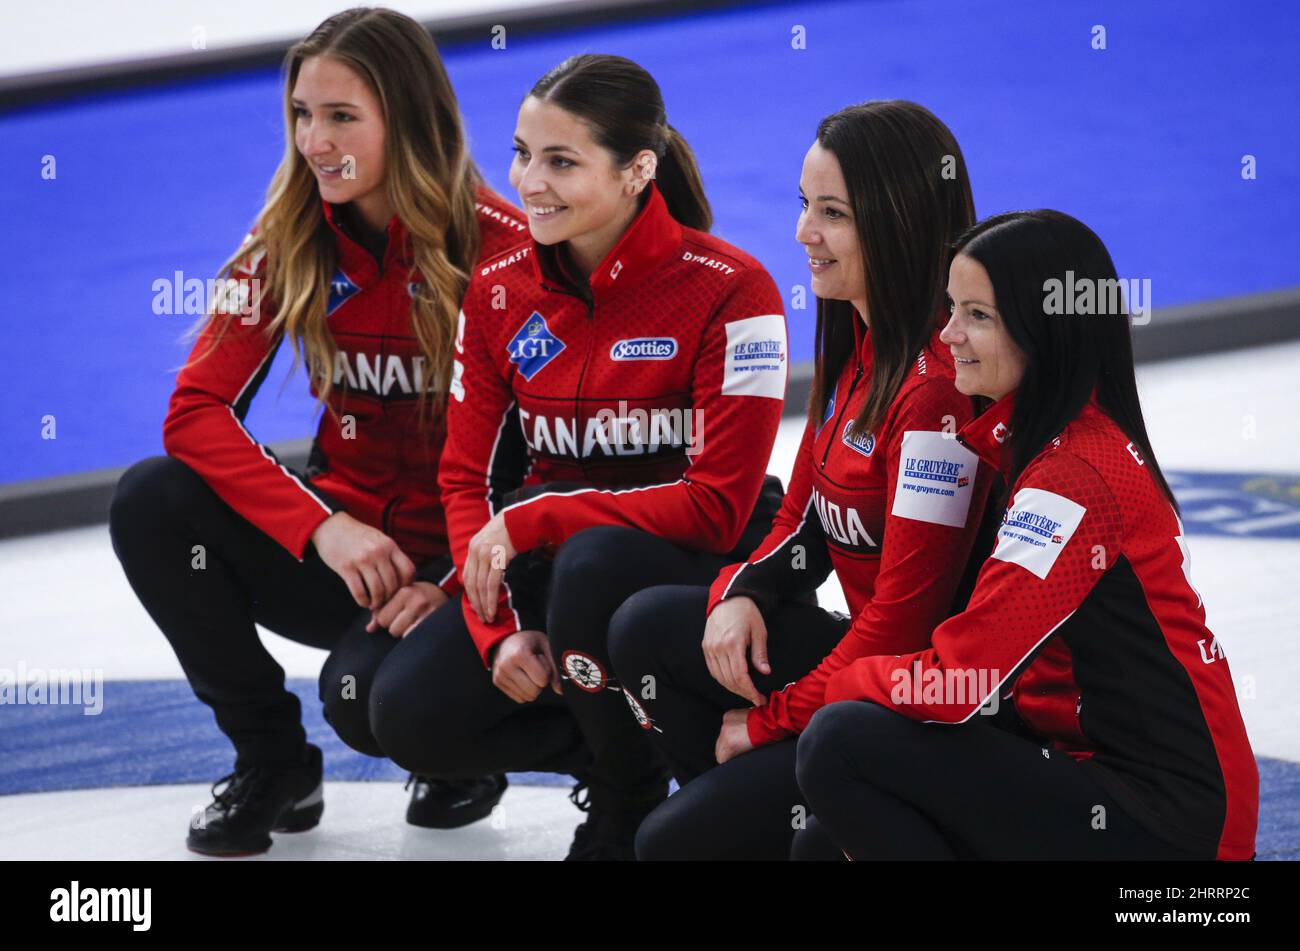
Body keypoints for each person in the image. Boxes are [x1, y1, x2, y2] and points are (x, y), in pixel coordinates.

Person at [320, 53, 788, 860]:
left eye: (562, 161)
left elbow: (719, 507)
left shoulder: (736, 290)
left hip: (692, 566)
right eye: (522, 152)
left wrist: (542, 515)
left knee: (592, 561)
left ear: (639, 169)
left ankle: (625, 796)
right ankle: (647, 743)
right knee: (397, 711)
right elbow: (465, 476)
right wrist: (496, 627)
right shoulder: (499, 289)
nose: (528, 181)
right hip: (554, 565)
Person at [109, 7, 528, 856]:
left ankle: (459, 742)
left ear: (406, 118)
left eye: (342, 116)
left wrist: (457, 583)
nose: (313, 138)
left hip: (471, 570)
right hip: (352, 559)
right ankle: (272, 759)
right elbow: (193, 413)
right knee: (151, 500)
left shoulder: (508, 249)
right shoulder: (284, 245)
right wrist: (321, 525)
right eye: (302, 113)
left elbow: (559, 455)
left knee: (374, 708)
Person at [794, 210, 1259, 861]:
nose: (949, 333)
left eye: (977, 316)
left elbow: (963, 681)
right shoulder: (1048, 441)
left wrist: (839, 684)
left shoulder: (1073, 474)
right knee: (822, 843)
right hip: (1101, 775)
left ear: (1045, 331)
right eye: (951, 308)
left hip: (1168, 823)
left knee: (840, 740)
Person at [609, 101, 997, 860]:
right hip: (864, 674)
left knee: (669, 845)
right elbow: (802, 517)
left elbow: (905, 621)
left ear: (901, 222)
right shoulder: (861, 343)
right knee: (648, 627)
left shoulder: (939, 391)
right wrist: (743, 592)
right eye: (803, 205)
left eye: (832, 213)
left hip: (924, 705)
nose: (802, 234)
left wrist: (770, 720)